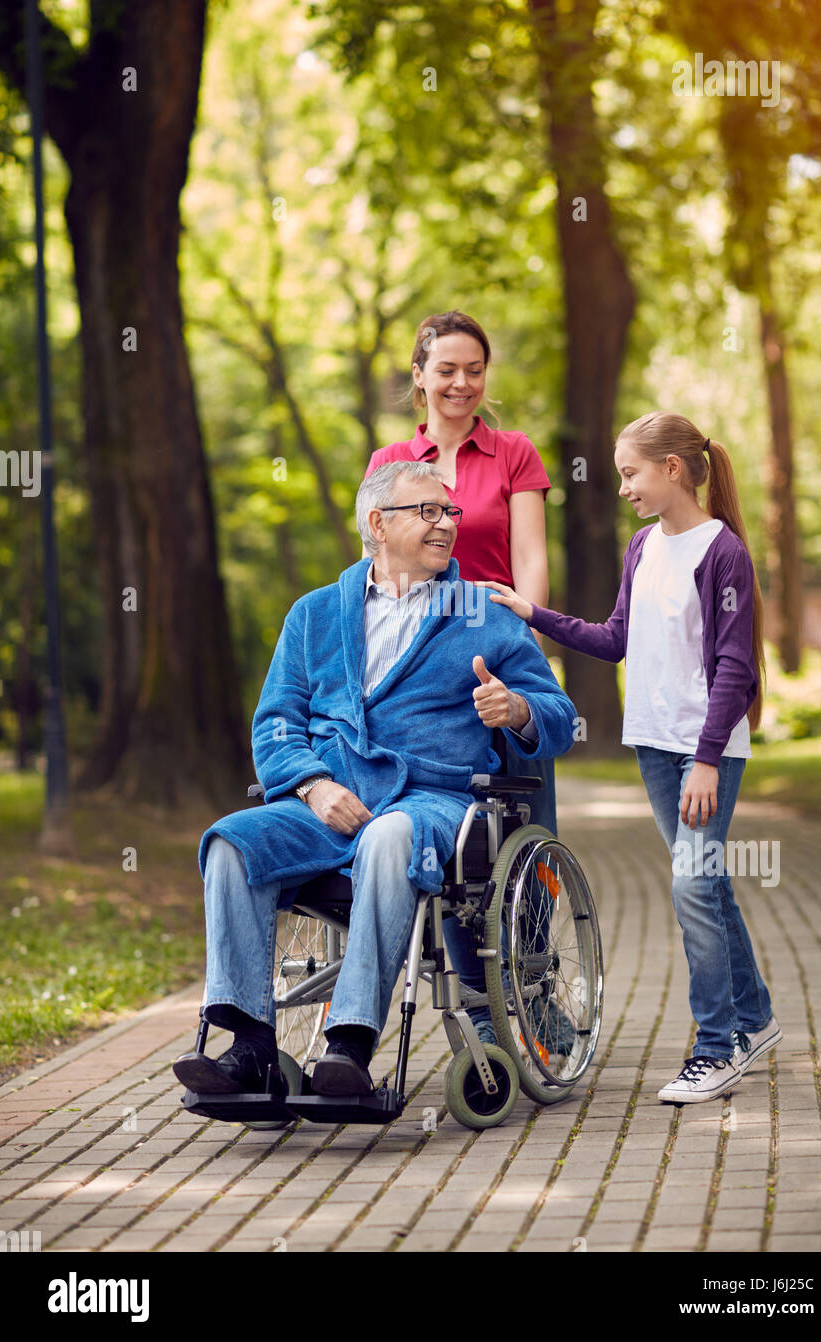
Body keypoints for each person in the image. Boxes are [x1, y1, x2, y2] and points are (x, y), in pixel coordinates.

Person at [173, 461, 578, 1103]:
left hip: (434, 801)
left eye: (449, 512)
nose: (445, 523)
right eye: (427, 511)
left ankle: (349, 1048)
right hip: (329, 799)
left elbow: (559, 714)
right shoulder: (314, 615)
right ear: (377, 524)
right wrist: (311, 786)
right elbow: (276, 722)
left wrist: (520, 710)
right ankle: (250, 1047)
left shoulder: (484, 612)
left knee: (390, 835)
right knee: (229, 842)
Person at [480, 411, 782, 1104]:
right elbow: (615, 637)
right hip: (652, 747)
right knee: (706, 885)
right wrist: (534, 614)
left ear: (671, 469)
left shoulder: (722, 552)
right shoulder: (643, 548)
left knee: (691, 887)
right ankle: (756, 1017)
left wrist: (707, 757)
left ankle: (717, 1047)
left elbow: (735, 667)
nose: (623, 489)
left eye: (630, 473)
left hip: (705, 752)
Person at [366, 310, 557, 1043]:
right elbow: (375, 559)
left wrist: (528, 646)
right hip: (416, 668)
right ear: (419, 375)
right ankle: (478, 1011)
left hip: (492, 654)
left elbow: (530, 557)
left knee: (522, 837)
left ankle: (539, 1011)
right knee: (447, 844)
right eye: (445, 368)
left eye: (474, 369)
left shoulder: (512, 453)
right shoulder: (391, 458)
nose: (461, 382)